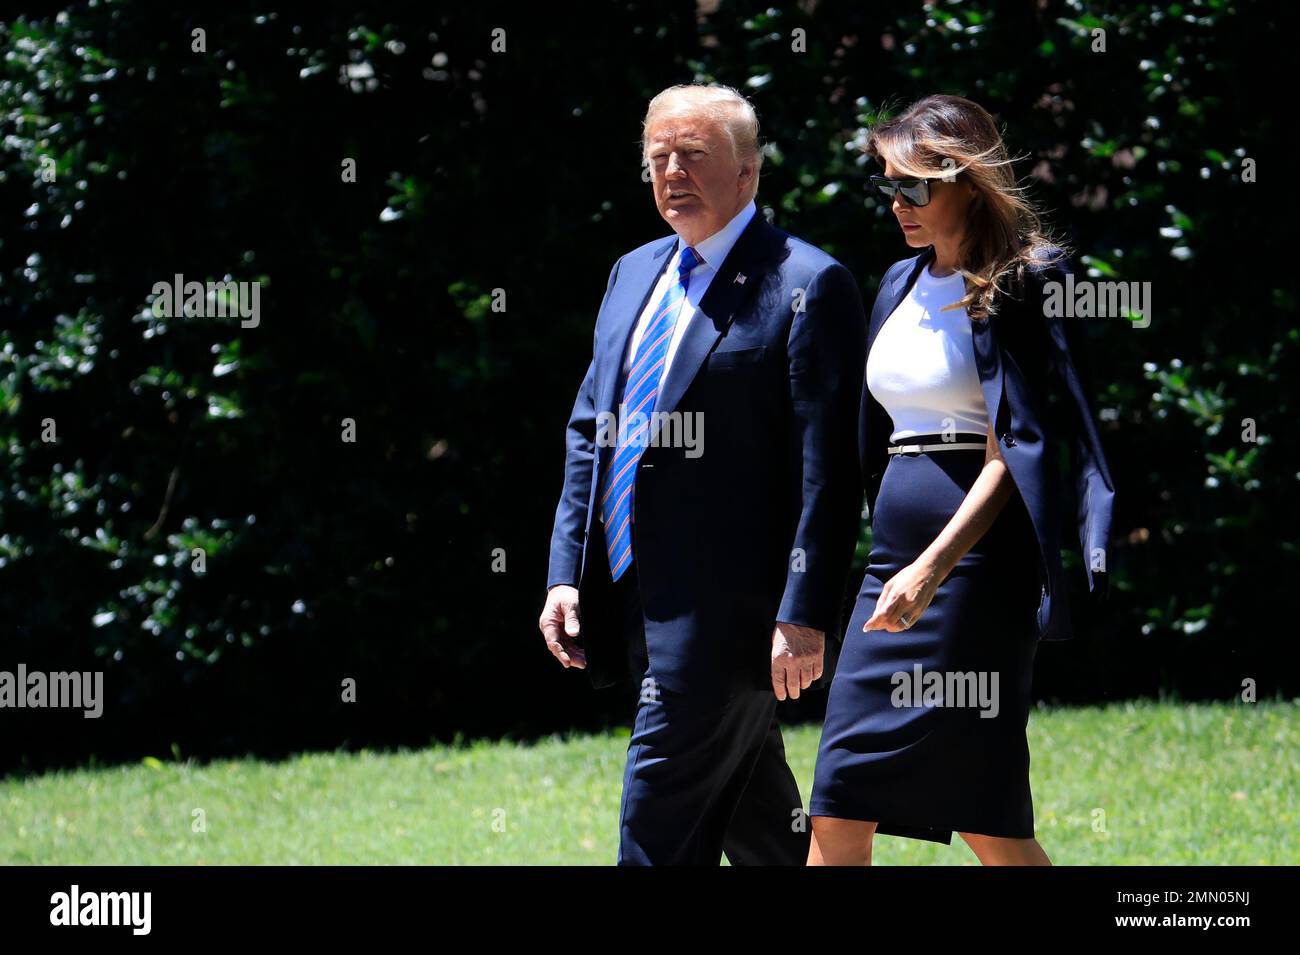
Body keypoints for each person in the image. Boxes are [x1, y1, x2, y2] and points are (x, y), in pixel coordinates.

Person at [538, 83, 866, 865]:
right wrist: (563, 574)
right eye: (658, 158)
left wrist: (804, 610)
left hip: (730, 613)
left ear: (748, 173)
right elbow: (593, 429)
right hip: (632, 593)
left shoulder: (808, 283)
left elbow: (831, 467)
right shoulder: (632, 271)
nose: (672, 173)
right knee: (763, 829)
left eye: (693, 156)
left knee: (656, 830)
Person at [808, 94, 1115, 866]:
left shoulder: (1026, 279)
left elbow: (1020, 444)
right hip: (893, 564)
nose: (898, 204)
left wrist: (933, 566)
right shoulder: (896, 283)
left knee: (986, 812)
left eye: (915, 186)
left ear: (968, 182)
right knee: (838, 796)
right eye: (888, 186)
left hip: (976, 573)